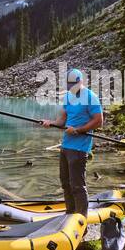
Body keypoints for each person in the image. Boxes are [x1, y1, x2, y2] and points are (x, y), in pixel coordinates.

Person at [41, 67, 103, 218]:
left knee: (77, 185)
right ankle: (69, 215)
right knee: (65, 182)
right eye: (68, 84)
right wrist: (50, 123)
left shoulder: (90, 96)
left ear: (80, 81)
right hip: (66, 145)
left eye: (73, 84)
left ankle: (81, 220)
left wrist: (78, 130)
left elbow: (98, 121)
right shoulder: (68, 97)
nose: (70, 87)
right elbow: (62, 121)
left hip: (80, 147)